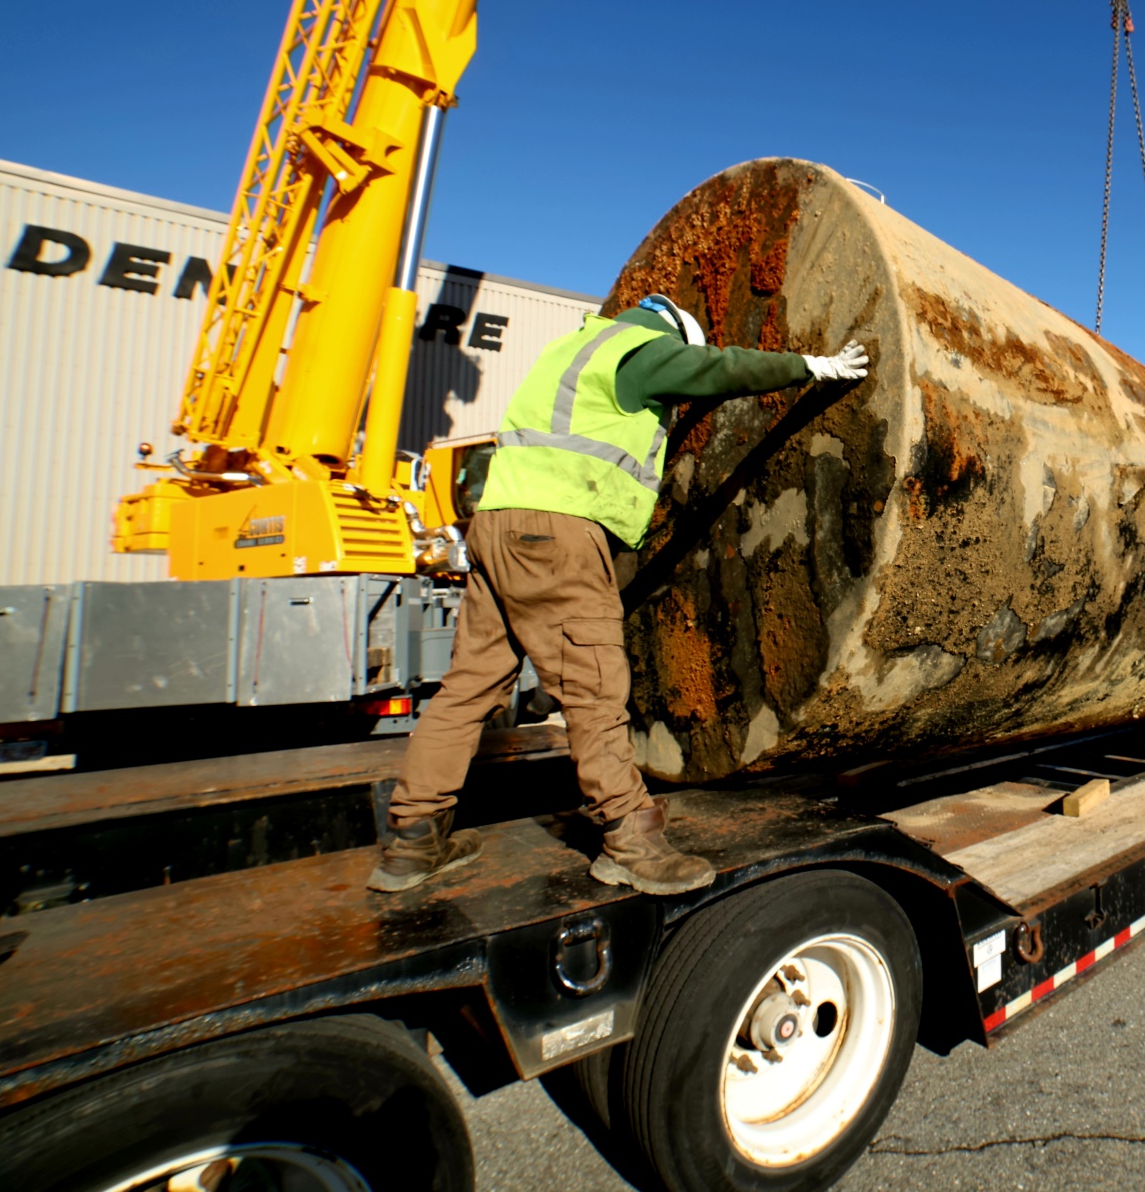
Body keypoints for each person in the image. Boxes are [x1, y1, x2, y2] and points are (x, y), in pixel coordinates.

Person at [368, 294, 868, 895]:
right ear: (672, 333)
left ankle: (413, 837)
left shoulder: (570, 351)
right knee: (594, 685)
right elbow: (718, 370)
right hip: (556, 532)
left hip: (495, 524)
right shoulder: (637, 350)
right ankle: (630, 838)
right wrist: (806, 367)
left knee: (469, 687)